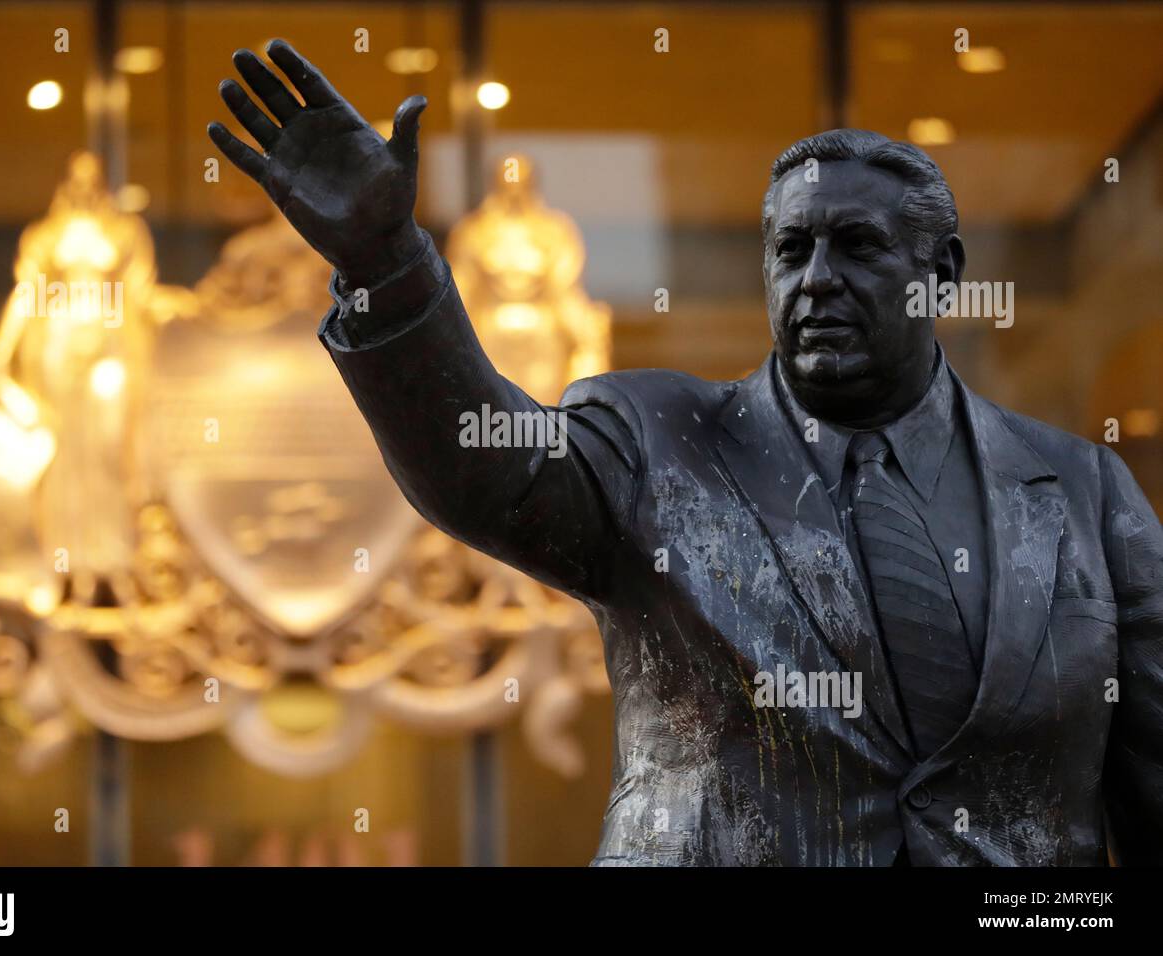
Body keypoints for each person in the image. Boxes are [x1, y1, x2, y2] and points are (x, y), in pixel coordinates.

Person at [210, 40, 1163, 866]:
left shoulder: (1085, 491)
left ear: (941, 275)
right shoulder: (656, 437)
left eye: (857, 248)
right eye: (792, 252)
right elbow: (483, 471)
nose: (817, 281)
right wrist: (386, 266)